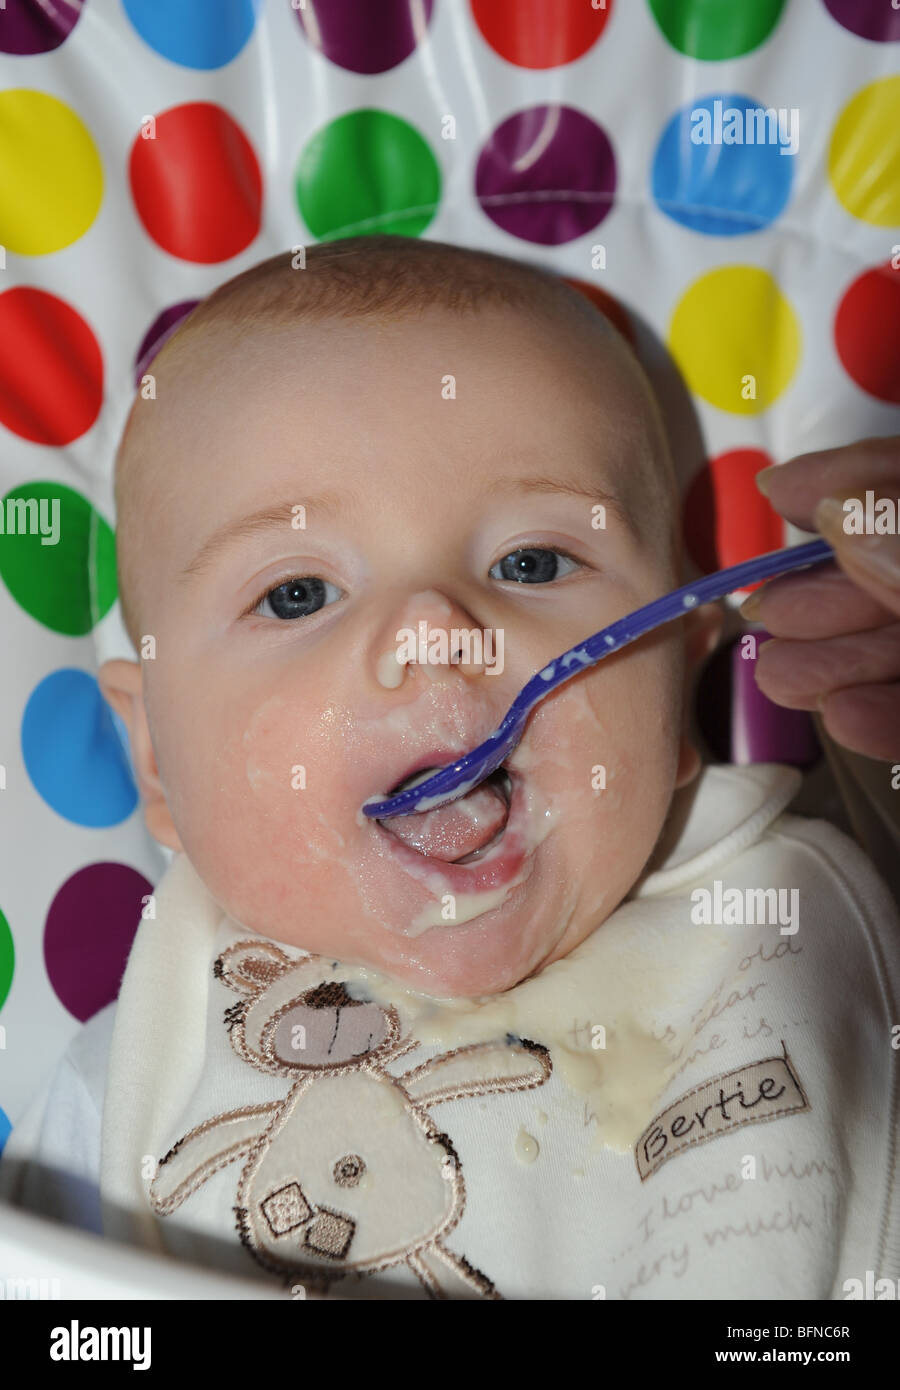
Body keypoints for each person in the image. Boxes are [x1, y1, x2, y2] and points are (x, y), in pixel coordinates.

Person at [1, 238, 897, 1300]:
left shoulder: (812, 901)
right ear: (155, 760)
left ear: (681, 674)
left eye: (531, 562)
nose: (435, 629)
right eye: (297, 594)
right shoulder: (143, 1078)